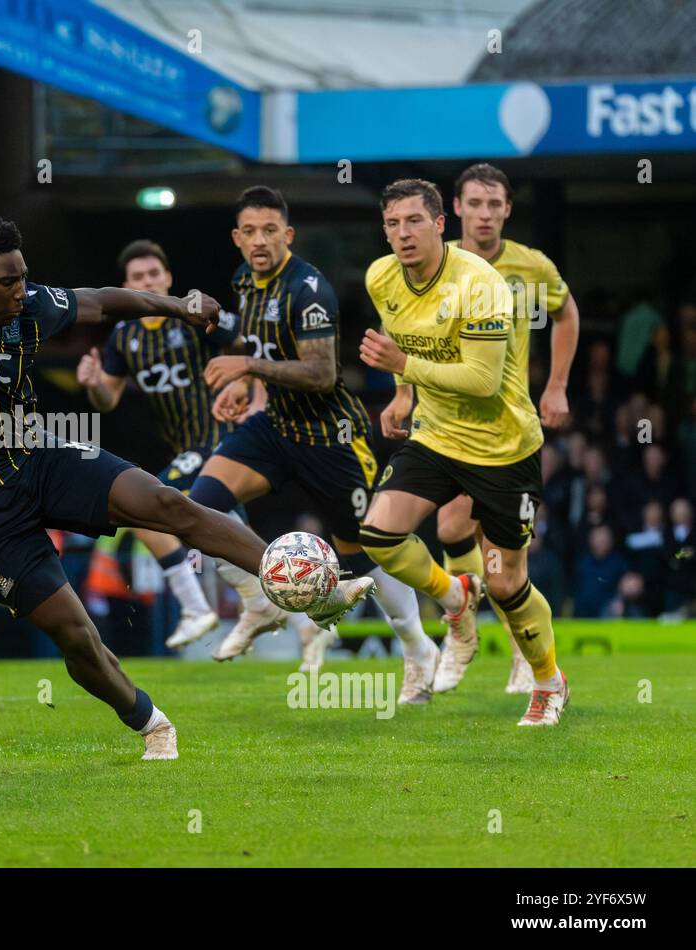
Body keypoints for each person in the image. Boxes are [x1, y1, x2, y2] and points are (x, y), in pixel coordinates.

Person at [0, 216, 373, 760]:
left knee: (168, 503)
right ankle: (151, 722)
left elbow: (102, 300)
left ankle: (313, 590)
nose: (22, 290)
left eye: (23, 277)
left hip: (38, 453)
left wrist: (178, 305)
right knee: (76, 635)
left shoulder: (29, 306)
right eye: (8, 282)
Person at [184, 186, 431, 698]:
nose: (260, 240)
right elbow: (259, 344)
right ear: (236, 238)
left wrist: (247, 367)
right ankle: (259, 599)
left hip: (332, 438)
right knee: (199, 505)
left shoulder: (309, 288)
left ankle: (418, 649)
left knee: (369, 558)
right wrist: (245, 387)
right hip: (275, 428)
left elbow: (320, 374)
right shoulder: (243, 281)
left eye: (270, 230)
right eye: (249, 231)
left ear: (287, 235)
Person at [360, 178, 568, 726]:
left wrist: (402, 370)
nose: (401, 234)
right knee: (379, 534)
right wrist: (403, 395)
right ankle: (454, 596)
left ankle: (548, 680)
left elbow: (480, 380)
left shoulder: (481, 283)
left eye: (412, 221)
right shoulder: (381, 276)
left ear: (438, 224)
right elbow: (403, 330)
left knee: (506, 581)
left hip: (503, 449)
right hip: (436, 439)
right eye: (391, 223)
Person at [409, 163, 580, 695]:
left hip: (506, 430)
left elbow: (567, 313)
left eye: (495, 205)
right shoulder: (433, 267)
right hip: (443, 424)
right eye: (475, 204)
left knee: (500, 559)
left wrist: (556, 385)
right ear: (455, 209)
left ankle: (518, 653)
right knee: (452, 528)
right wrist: (398, 393)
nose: (485, 214)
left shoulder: (531, 267)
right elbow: (404, 334)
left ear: (507, 210)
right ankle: (466, 625)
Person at [75, 239, 243, 650]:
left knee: (141, 509)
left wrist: (248, 389)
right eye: (138, 277)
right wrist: (95, 383)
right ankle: (304, 607)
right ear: (127, 285)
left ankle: (195, 607)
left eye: (154, 274)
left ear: (168, 278)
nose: (147, 281)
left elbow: (244, 343)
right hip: (185, 449)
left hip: (219, 440)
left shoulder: (192, 318)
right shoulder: (123, 336)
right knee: (234, 540)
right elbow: (108, 401)